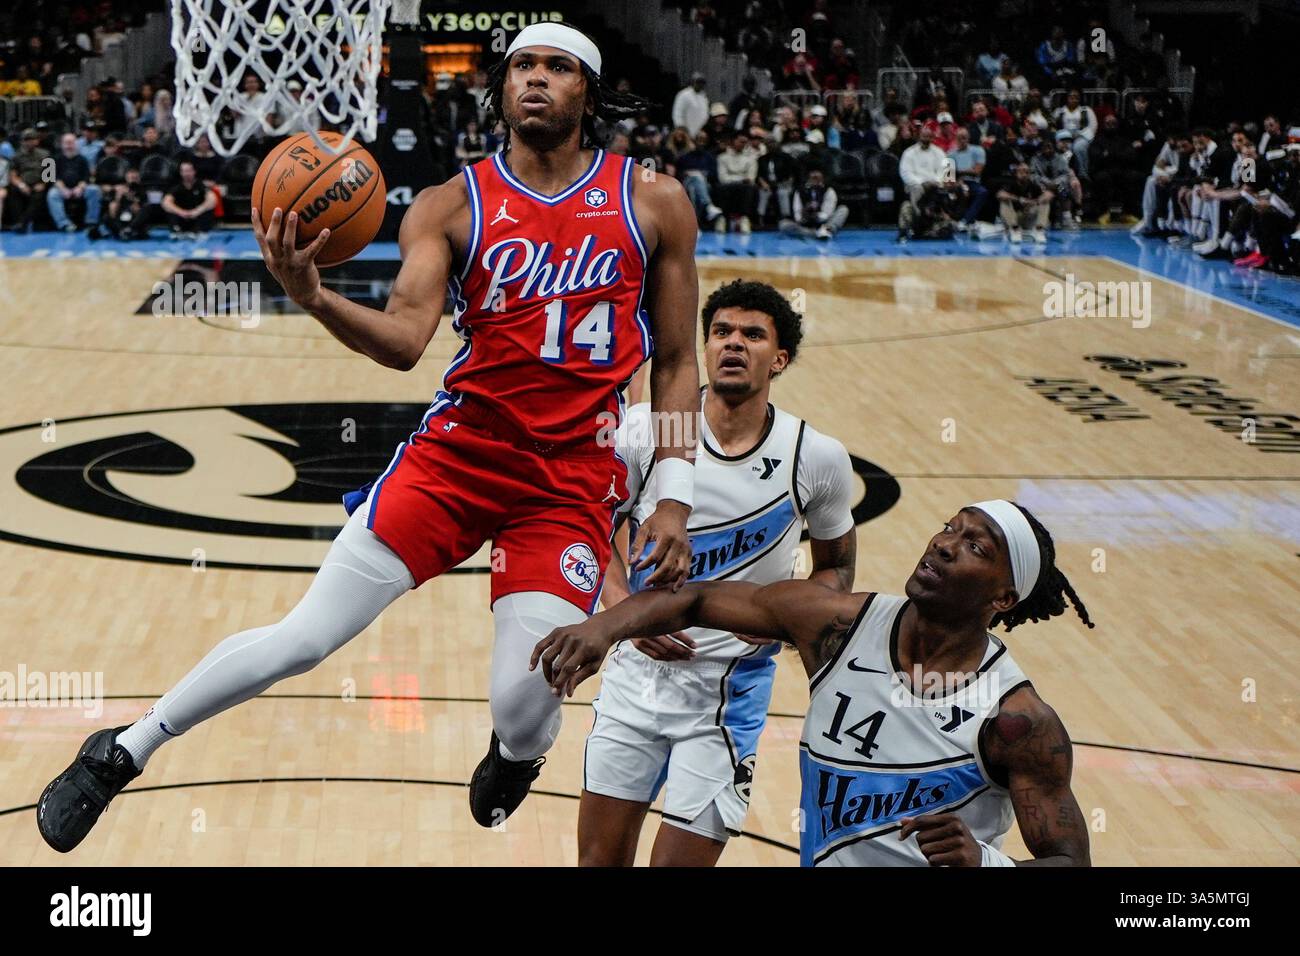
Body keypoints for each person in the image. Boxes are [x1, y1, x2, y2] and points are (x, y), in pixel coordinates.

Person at [37, 21, 701, 853]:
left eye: (558, 67)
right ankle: (122, 751)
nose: (535, 78)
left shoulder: (654, 201)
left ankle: (515, 755)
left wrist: (673, 498)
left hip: (567, 483)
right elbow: (402, 342)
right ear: (500, 89)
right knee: (304, 638)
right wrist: (313, 296)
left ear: (589, 94)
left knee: (524, 702)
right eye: (522, 65)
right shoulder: (450, 205)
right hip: (458, 458)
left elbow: (678, 362)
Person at [533, 500, 1094, 868]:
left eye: (976, 547)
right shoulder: (839, 627)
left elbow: (1071, 860)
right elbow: (698, 598)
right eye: (950, 527)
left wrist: (987, 863)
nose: (944, 544)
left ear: (1004, 598)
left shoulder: (1017, 721)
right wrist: (604, 627)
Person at [580, 280, 856, 866]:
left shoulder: (816, 455)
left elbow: (836, 571)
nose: (733, 343)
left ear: (779, 359)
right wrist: (622, 608)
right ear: (704, 348)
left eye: (753, 335)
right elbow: (591, 529)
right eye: (721, 332)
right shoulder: (645, 430)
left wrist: (785, 617)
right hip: (636, 677)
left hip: (731, 691)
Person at [47, 132, 102, 232]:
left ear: (76, 144)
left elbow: (86, 177)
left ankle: (91, 222)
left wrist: (80, 188)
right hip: (61, 189)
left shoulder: (83, 159)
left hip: (79, 188)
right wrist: (63, 189)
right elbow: (51, 178)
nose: (69, 146)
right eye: (66, 143)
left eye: (71, 143)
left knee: (94, 190)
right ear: (62, 144)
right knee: (52, 194)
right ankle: (64, 224)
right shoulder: (53, 159)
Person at [781, 167, 849, 239]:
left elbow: (827, 214)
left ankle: (827, 230)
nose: (815, 176)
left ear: (822, 177)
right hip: (805, 224)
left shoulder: (829, 190)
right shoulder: (799, 191)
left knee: (843, 209)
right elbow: (797, 215)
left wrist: (816, 215)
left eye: (817, 173)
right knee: (783, 224)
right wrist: (805, 213)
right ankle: (814, 234)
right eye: (813, 174)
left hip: (824, 223)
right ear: (808, 177)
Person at [998, 162, 1052, 243]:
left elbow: (1049, 195)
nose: (1024, 174)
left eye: (1027, 172)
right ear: (1016, 173)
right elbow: (1000, 194)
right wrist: (1020, 200)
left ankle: (1039, 231)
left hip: (1029, 216)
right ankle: (1015, 230)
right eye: (1021, 171)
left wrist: (1034, 202)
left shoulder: (1033, 185)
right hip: (1014, 217)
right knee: (1004, 202)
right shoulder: (1010, 183)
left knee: (1045, 202)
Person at [161, 159, 216, 236]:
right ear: (180, 173)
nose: (186, 174)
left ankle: (199, 231)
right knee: (170, 211)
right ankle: (177, 230)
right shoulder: (176, 187)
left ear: (194, 171)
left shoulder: (201, 185)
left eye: (189, 171)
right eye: (184, 171)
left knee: (208, 210)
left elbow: (212, 200)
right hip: (181, 216)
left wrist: (197, 211)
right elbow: (166, 202)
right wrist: (181, 212)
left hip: (197, 215)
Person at [672, 72, 710, 137]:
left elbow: (705, 114)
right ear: (692, 82)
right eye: (698, 82)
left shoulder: (704, 97)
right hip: (684, 133)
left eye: (702, 82)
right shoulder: (683, 94)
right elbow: (677, 114)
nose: (700, 84)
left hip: (698, 134)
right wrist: (681, 130)